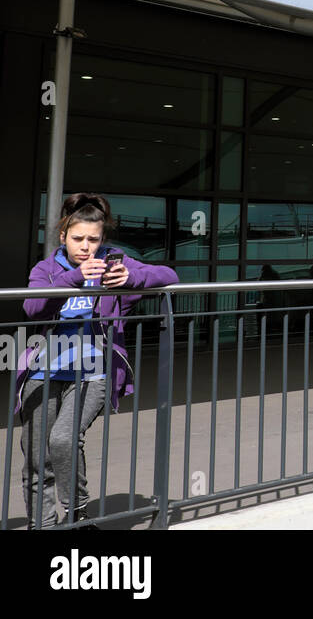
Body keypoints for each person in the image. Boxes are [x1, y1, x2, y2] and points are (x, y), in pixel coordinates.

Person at [17, 193, 178, 529]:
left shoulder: (114, 263)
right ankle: (42, 523)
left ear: (103, 239)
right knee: (35, 451)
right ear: (63, 236)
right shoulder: (47, 268)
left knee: (63, 438)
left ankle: (77, 517)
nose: (86, 247)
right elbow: (32, 307)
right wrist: (74, 278)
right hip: (45, 368)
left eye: (94, 239)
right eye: (78, 239)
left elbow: (169, 276)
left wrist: (133, 280)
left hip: (93, 372)